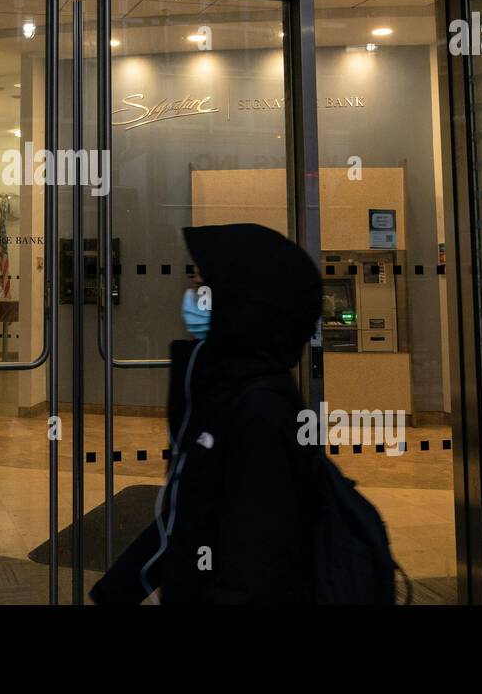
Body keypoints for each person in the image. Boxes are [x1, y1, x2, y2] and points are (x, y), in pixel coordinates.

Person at [91, 222, 323, 604]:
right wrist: (117, 590)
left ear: (240, 301)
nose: (189, 292)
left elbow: (258, 562)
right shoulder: (220, 385)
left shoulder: (259, 407)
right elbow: (186, 519)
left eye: (201, 283)